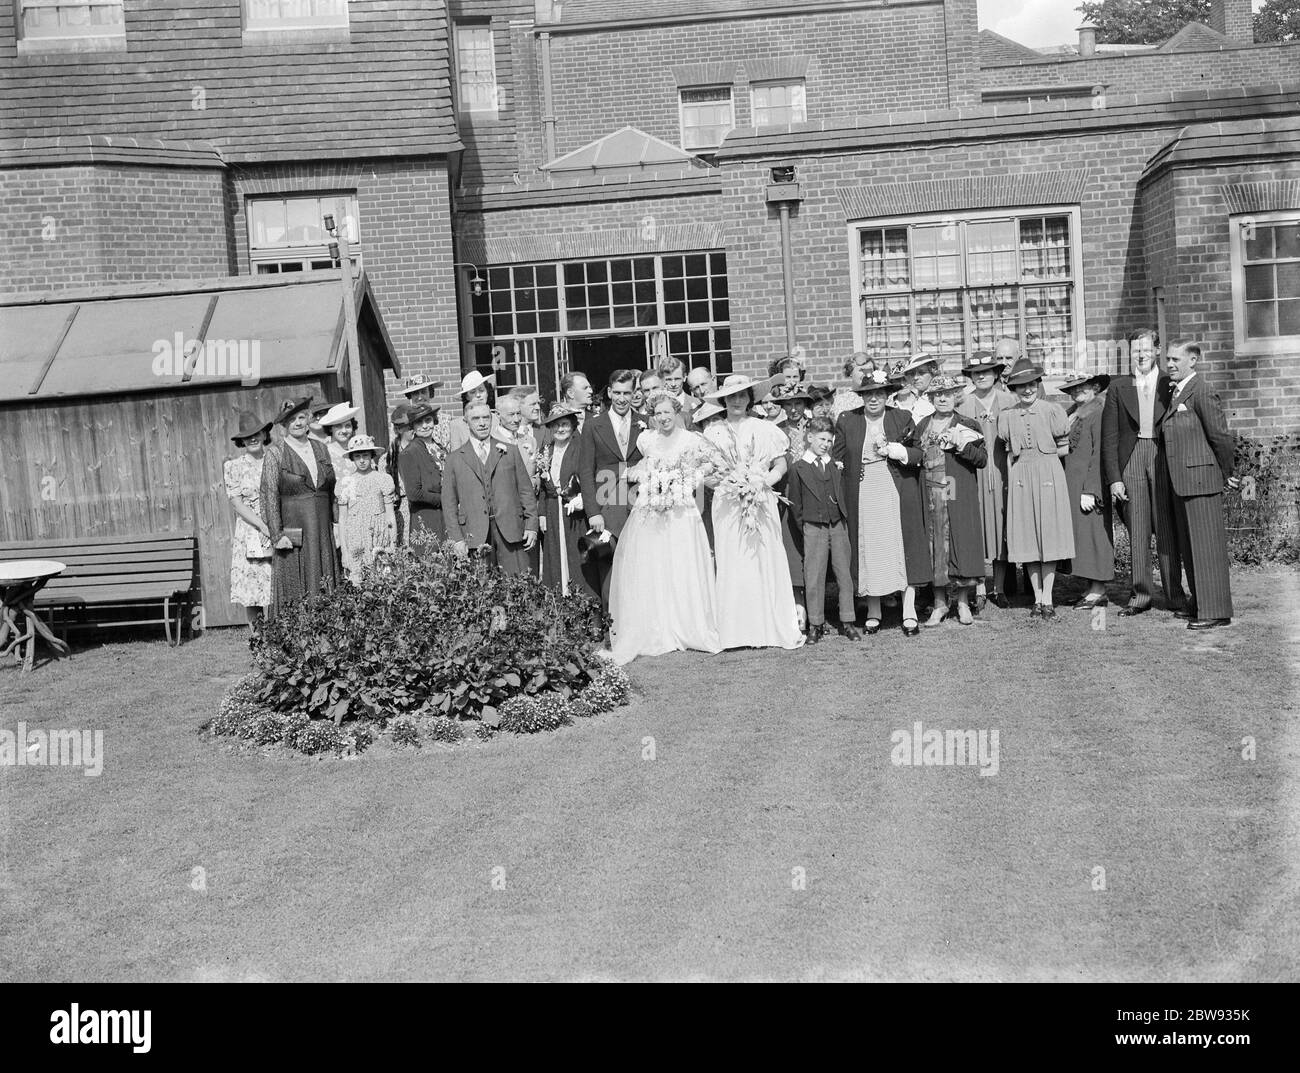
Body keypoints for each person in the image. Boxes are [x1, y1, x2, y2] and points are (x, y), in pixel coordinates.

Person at [608, 392, 721, 663]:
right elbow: (643, 464)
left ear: (677, 412)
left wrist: (688, 479)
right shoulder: (647, 439)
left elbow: (712, 463)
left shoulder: (692, 440)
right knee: (655, 565)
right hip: (653, 508)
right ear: (652, 416)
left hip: (682, 511)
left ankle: (688, 627)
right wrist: (642, 474)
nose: (663, 417)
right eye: (658, 413)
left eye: (668, 412)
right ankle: (657, 627)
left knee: (682, 564)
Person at [701, 374, 805, 651]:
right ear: (724, 399)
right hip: (728, 503)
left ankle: (769, 627)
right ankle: (735, 631)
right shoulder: (713, 432)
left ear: (750, 398)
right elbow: (705, 473)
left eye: (742, 395)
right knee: (733, 560)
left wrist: (762, 482)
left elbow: (781, 464)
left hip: (760, 497)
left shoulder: (764, 428)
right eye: (732, 396)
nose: (737, 400)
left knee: (762, 557)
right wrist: (727, 483)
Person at [833, 369, 928, 636]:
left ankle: (908, 610)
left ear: (887, 395)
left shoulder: (902, 417)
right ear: (861, 397)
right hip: (863, 490)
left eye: (878, 394)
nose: (873, 399)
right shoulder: (848, 421)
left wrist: (896, 450)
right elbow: (837, 458)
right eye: (867, 394)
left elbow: (917, 452)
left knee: (901, 544)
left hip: (894, 486)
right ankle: (874, 610)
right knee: (869, 548)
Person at [1101, 329, 1186, 617]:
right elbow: (1110, 437)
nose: (1141, 355)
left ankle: (1175, 595)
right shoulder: (1118, 387)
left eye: (1147, 350)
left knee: (1166, 527)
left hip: (1162, 456)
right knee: (1137, 528)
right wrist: (1114, 478)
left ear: (1158, 351)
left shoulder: (1170, 382)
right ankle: (1141, 595)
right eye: (1136, 350)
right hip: (1132, 457)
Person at [1158, 343, 1236, 630]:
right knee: (1191, 548)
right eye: (1168, 359)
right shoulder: (1175, 392)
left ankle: (1215, 610)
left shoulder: (1201, 390)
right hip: (1183, 482)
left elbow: (1221, 437)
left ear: (1193, 360)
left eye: (1176, 359)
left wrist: (1225, 471)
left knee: (1207, 547)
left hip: (1201, 481)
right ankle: (1200, 601)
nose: (1170, 364)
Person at [998, 357, 1075, 618]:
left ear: (1038, 384)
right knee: (1027, 534)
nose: (1027, 390)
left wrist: (1046, 463)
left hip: (1049, 473)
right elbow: (1009, 454)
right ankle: (1037, 597)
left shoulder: (1052, 411)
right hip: (1021, 476)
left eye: (1031, 384)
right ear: (1014, 389)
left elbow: (1064, 447)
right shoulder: (1007, 417)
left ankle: (1049, 597)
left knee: (1049, 533)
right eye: (1021, 386)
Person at [914, 376, 987, 626]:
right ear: (931, 398)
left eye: (947, 393)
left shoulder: (967, 424)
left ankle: (963, 602)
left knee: (960, 541)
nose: (943, 398)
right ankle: (939, 604)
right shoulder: (922, 425)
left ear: (956, 395)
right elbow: (914, 456)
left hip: (956, 489)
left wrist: (961, 445)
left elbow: (982, 459)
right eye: (937, 394)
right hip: (930, 491)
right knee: (934, 546)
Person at [577, 369, 647, 618]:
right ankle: (613, 623)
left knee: (641, 563)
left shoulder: (645, 422)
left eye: (626, 393)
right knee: (609, 565)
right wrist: (593, 512)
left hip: (639, 504)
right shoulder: (594, 426)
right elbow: (585, 471)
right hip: (607, 506)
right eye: (616, 393)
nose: (621, 399)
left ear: (634, 393)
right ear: (608, 392)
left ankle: (641, 621)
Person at [261, 396, 339, 618]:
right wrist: (277, 535)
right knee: (297, 586)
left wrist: (336, 525)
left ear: (309, 419)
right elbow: (269, 495)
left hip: (322, 530)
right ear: (284, 425)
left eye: (301, 417)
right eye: (291, 419)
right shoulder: (276, 453)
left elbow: (331, 492)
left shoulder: (321, 449)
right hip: (295, 531)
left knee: (325, 580)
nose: (297, 423)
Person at [442, 400, 538, 574]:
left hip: (511, 530)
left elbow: (526, 492)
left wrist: (531, 525)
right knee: (482, 592)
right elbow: (449, 504)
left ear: (493, 419)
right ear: (466, 422)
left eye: (486, 417)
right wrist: (457, 539)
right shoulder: (454, 459)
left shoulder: (511, 451)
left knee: (518, 585)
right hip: (474, 533)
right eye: (476, 418)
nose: (482, 423)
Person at [787, 415, 859, 642]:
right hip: (813, 527)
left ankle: (848, 621)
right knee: (814, 576)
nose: (825, 444)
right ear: (810, 438)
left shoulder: (835, 465)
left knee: (843, 575)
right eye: (821, 439)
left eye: (829, 440)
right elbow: (795, 505)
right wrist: (808, 526)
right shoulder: (799, 468)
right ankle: (816, 624)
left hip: (837, 525)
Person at [957, 351, 1016, 609]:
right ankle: (980, 587)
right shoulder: (964, 405)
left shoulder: (1009, 401)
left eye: (986, 371)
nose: (981, 376)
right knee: (978, 528)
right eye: (976, 373)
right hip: (975, 475)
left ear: (995, 374)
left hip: (1004, 472)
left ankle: (999, 588)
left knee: (1002, 527)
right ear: (970, 376)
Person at [1059, 369, 1114, 609]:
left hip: (1089, 485)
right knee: (1081, 537)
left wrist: (1090, 489)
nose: (1077, 390)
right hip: (1071, 484)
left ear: (1095, 387)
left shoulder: (1100, 411)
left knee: (1094, 535)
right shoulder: (1073, 413)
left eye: (1084, 386)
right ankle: (1089, 588)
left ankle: (1099, 590)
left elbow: (1099, 453)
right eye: (1073, 387)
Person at [223, 411, 274, 630]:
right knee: (253, 590)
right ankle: (259, 642)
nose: (253, 439)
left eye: (256, 433)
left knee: (275, 586)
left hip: (276, 526)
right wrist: (262, 526)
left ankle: (282, 639)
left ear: (264, 435)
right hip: (251, 531)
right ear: (242, 441)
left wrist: (274, 526)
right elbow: (237, 502)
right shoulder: (233, 466)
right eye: (247, 436)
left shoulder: (276, 460)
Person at [538, 406, 594, 598]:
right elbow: (544, 489)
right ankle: (560, 601)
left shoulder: (580, 447)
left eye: (564, 424)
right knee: (555, 557)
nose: (560, 429)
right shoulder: (546, 450)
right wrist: (542, 514)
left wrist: (583, 499)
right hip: (554, 511)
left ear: (572, 426)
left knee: (576, 556)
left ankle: (582, 600)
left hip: (575, 514)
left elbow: (589, 477)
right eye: (555, 425)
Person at [336, 434, 396, 580]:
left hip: (379, 534)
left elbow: (390, 515)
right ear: (352, 458)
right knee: (359, 580)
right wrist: (344, 551)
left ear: (372, 456)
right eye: (357, 456)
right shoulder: (346, 482)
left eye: (365, 455)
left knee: (382, 578)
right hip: (356, 536)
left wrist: (393, 544)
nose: (362, 460)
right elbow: (343, 520)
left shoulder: (382, 479)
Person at [398, 402, 445, 547]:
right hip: (425, 517)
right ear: (412, 426)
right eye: (419, 422)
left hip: (447, 517)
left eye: (428, 420)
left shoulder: (440, 448)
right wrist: (445, 499)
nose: (424, 426)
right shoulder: (409, 453)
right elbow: (414, 493)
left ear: (434, 421)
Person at [386, 401, 414, 546]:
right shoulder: (389, 457)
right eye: (408, 426)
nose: (412, 429)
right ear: (398, 429)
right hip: (400, 509)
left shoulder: (423, 449)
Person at [448, 370, 495, 450]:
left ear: (487, 392)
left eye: (481, 390)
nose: (478, 395)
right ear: (466, 396)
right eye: (473, 392)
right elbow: (456, 456)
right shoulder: (456, 425)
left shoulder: (498, 419)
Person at [890, 356, 937, 423]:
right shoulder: (888, 404)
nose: (902, 384)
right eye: (898, 381)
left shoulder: (935, 399)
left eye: (921, 373)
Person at [319, 401, 359, 478]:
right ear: (330, 429)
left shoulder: (359, 448)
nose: (344, 431)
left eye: (347, 426)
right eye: (338, 426)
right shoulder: (324, 453)